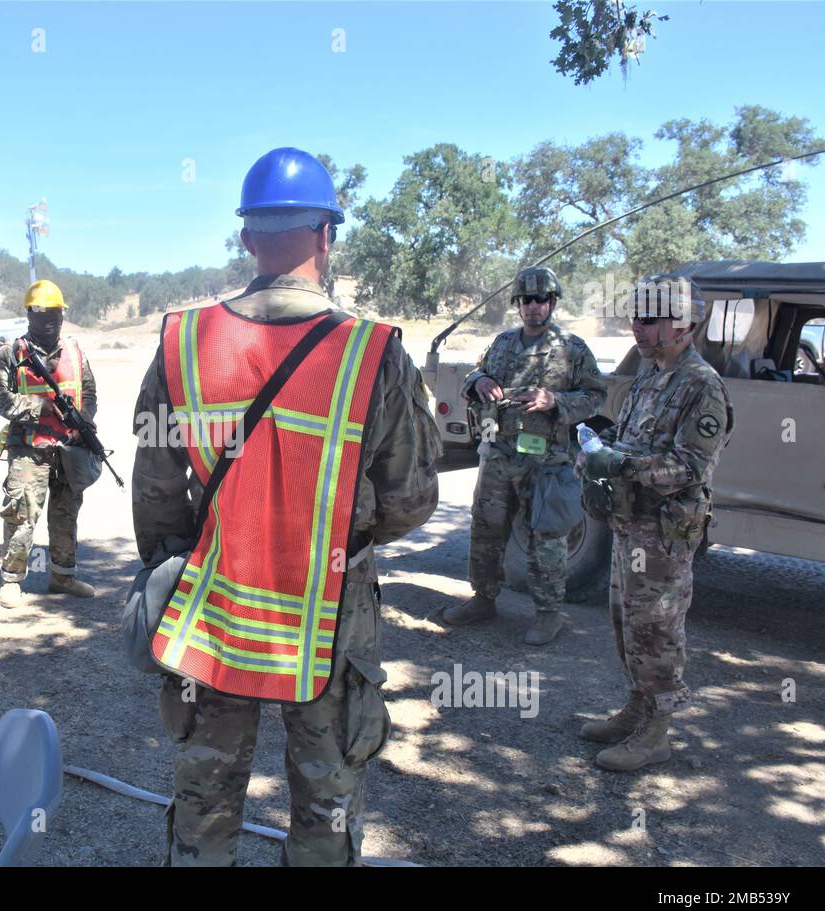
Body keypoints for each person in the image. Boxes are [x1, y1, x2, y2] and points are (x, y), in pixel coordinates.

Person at [131, 147, 441, 866]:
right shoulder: (373, 354)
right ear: (326, 236)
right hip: (330, 614)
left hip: (213, 606)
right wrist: (343, 537)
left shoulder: (181, 342)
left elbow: (154, 491)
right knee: (326, 806)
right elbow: (412, 499)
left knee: (205, 801)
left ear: (246, 238)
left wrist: (185, 554)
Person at [579, 275, 731, 771]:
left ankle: (658, 732)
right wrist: (600, 454)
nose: (636, 329)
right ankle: (637, 710)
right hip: (630, 521)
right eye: (634, 318)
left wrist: (621, 466)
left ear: (683, 323)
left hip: (664, 533)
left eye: (649, 320)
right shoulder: (650, 374)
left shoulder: (701, 384)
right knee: (627, 623)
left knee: (658, 628)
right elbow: (631, 439)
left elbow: (689, 466)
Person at [443, 266, 607, 644]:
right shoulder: (502, 342)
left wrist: (555, 400)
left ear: (552, 302)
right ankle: (483, 598)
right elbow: (475, 373)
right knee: (486, 528)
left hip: (547, 460)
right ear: (518, 305)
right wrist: (478, 382)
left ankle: (549, 614)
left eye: (541, 299)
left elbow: (596, 396)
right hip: (500, 453)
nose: (533, 307)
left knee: (546, 538)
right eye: (526, 300)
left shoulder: (573, 349)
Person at [0, 279, 97, 607]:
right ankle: (11, 579)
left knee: (66, 513)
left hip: (69, 448)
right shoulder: (8, 353)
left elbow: (89, 392)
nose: (52, 322)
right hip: (28, 448)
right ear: (30, 316)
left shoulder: (75, 351)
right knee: (21, 512)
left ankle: (63, 576)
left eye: (57, 316)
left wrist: (83, 420)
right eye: (45, 316)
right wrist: (38, 407)